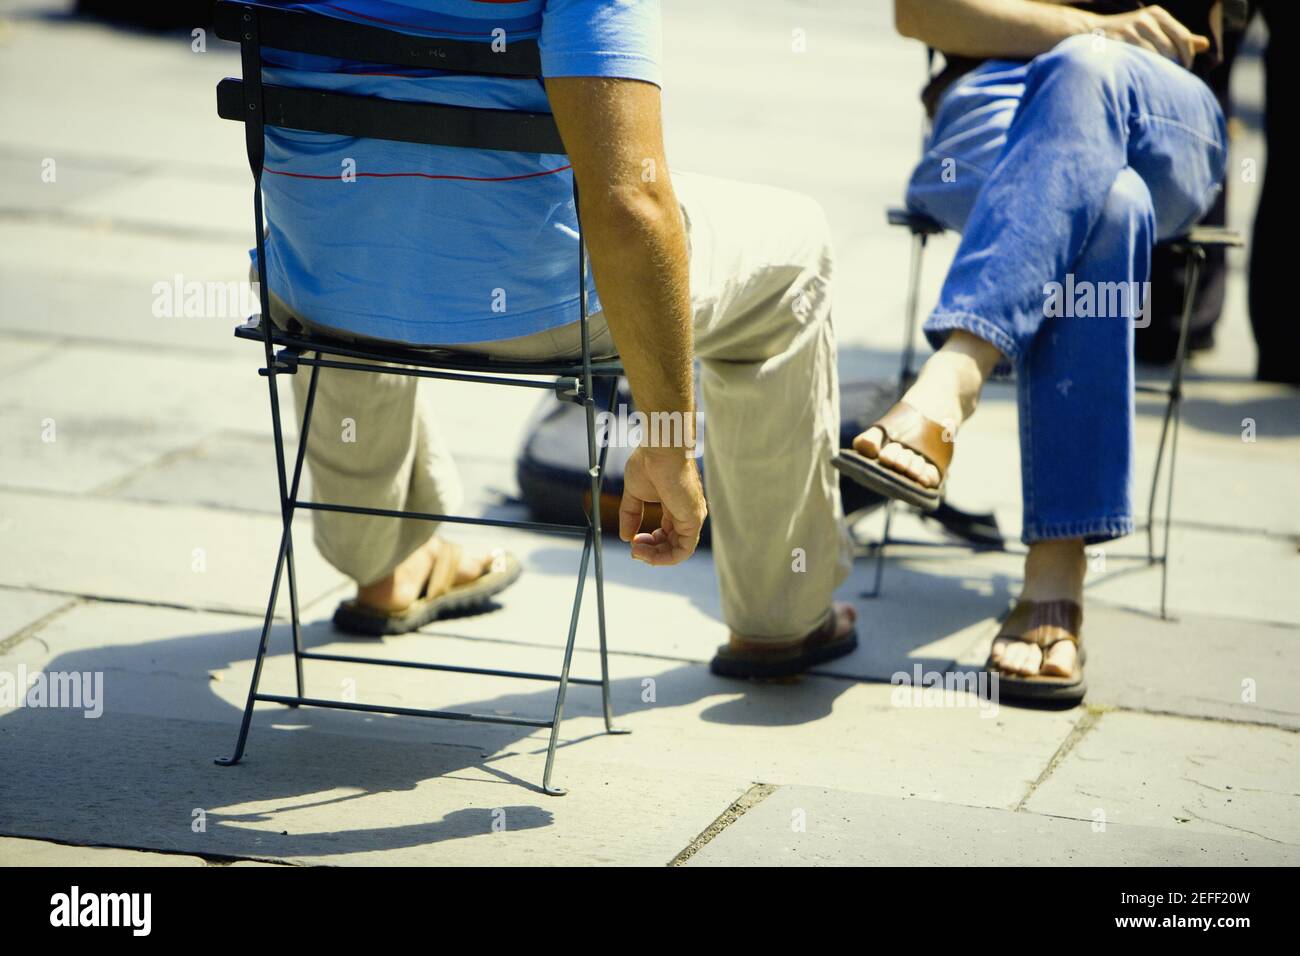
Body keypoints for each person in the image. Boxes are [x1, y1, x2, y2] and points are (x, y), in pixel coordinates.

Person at [254, 0, 855, 677]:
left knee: (360, 234)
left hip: (321, 288)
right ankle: (778, 623)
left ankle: (380, 564)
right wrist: (666, 440)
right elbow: (628, 204)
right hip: (545, 309)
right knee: (794, 243)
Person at [836, 1, 1230, 702]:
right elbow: (920, 12)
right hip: (990, 105)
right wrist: (1089, 25)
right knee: (1109, 209)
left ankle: (955, 374)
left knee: (1089, 69)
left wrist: (1096, 44)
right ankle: (1057, 568)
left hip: (1159, 107)